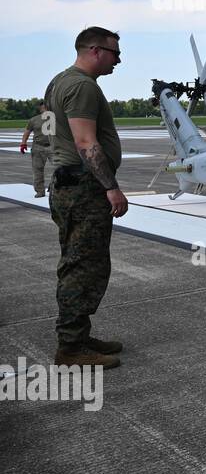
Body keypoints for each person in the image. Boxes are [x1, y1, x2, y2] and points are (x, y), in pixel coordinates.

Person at [43, 26, 128, 369]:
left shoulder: (59, 81)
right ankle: (71, 348)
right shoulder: (82, 86)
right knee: (85, 267)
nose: (118, 61)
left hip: (68, 185)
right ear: (95, 50)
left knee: (77, 263)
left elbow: (53, 131)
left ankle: (78, 336)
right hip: (83, 189)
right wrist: (111, 186)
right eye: (114, 53)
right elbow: (85, 143)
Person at [19, 102, 53, 198]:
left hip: (53, 146)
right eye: (43, 107)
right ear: (40, 109)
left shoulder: (56, 119)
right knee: (37, 170)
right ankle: (40, 191)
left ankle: (54, 186)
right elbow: (27, 132)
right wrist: (23, 143)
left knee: (60, 168)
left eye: (47, 107)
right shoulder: (34, 120)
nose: (45, 108)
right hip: (38, 147)